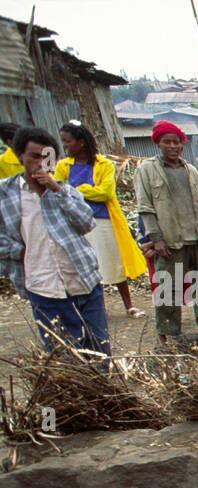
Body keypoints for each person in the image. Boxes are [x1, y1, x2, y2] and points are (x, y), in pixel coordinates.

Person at [0, 126, 110, 358]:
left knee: (99, 350)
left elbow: (86, 224)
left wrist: (57, 190)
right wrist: (20, 253)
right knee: (63, 357)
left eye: (46, 157)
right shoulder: (6, 195)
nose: (41, 162)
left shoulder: (66, 191)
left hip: (83, 280)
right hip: (42, 286)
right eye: (34, 156)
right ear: (20, 155)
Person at [135, 120, 198, 347]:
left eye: (176, 142)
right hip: (169, 241)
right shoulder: (147, 170)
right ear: (158, 144)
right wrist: (156, 238)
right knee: (167, 288)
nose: (173, 146)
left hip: (196, 238)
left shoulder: (190, 170)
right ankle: (167, 333)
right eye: (167, 142)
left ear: (182, 145)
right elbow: (145, 208)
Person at [54, 121, 148, 319]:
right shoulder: (63, 166)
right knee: (81, 267)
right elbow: (58, 192)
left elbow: (105, 193)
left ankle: (129, 305)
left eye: (67, 141)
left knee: (112, 262)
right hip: (74, 224)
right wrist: (84, 191)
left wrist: (76, 190)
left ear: (81, 142)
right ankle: (90, 309)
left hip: (102, 220)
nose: (65, 146)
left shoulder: (104, 164)